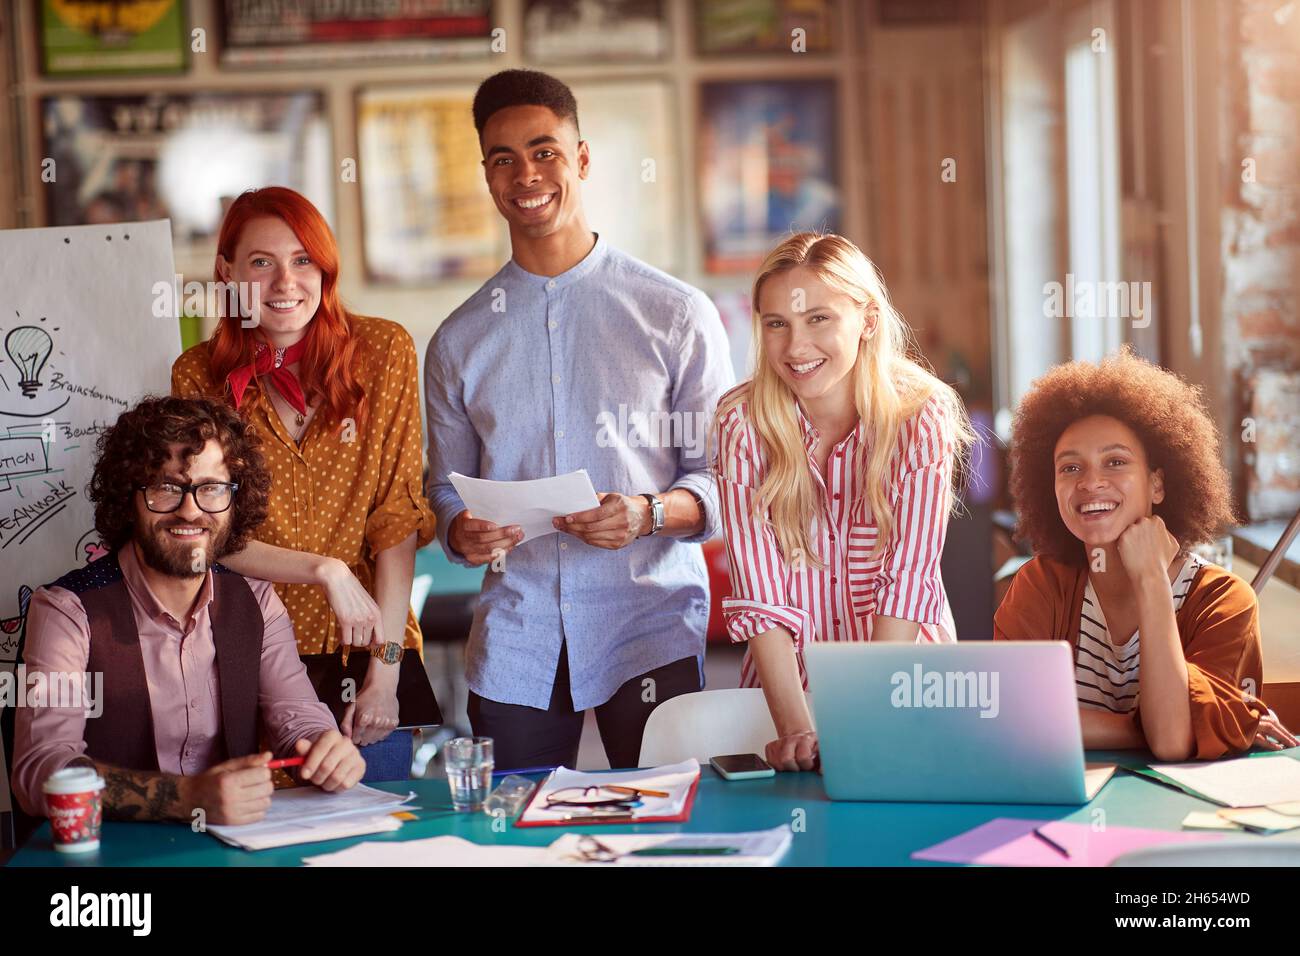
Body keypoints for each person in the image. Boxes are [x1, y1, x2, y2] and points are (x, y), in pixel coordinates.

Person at [425, 70, 734, 770]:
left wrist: (648, 512)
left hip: (647, 622)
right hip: (518, 635)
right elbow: (443, 486)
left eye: (544, 151)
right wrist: (457, 527)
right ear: (487, 175)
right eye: (503, 158)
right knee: (510, 832)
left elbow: (722, 482)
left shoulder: (676, 313)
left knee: (661, 826)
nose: (525, 174)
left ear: (582, 159)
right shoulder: (460, 339)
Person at [172, 187, 436, 774]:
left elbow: (397, 517)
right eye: (261, 263)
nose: (285, 283)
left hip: (370, 650)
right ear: (228, 271)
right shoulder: (196, 374)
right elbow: (208, 530)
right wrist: (325, 570)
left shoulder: (384, 350)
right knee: (264, 842)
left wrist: (385, 673)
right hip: (247, 652)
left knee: (392, 832)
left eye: (303, 260)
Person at [11, 396, 364, 823]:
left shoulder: (258, 601)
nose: (190, 509)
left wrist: (325, 748)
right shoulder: (67, 611)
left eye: (211, 488)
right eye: (166, 487)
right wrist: (186, 797)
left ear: (235, 499)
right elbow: (40, 772)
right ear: (129, 497)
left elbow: (297, 718)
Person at [713, 232, 975, 772]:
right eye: (776, 323)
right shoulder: (740, 422)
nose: (795, 348)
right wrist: (796, 729)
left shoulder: (921, 416)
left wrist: (862, 727)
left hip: (904, 686)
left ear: (869, 321)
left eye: (819, 319)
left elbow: (906, 583)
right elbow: (758, 593)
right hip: (783, 696)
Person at [994, 350, 1297, 760]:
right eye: (1070, 468)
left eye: (1115, 461)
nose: (1090, 482)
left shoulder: (1225, 602)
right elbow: (1011, 720)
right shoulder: (1040, 586)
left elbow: (1171, 741)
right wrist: (1138, 727)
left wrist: (1152, 578)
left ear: (1157, 484)